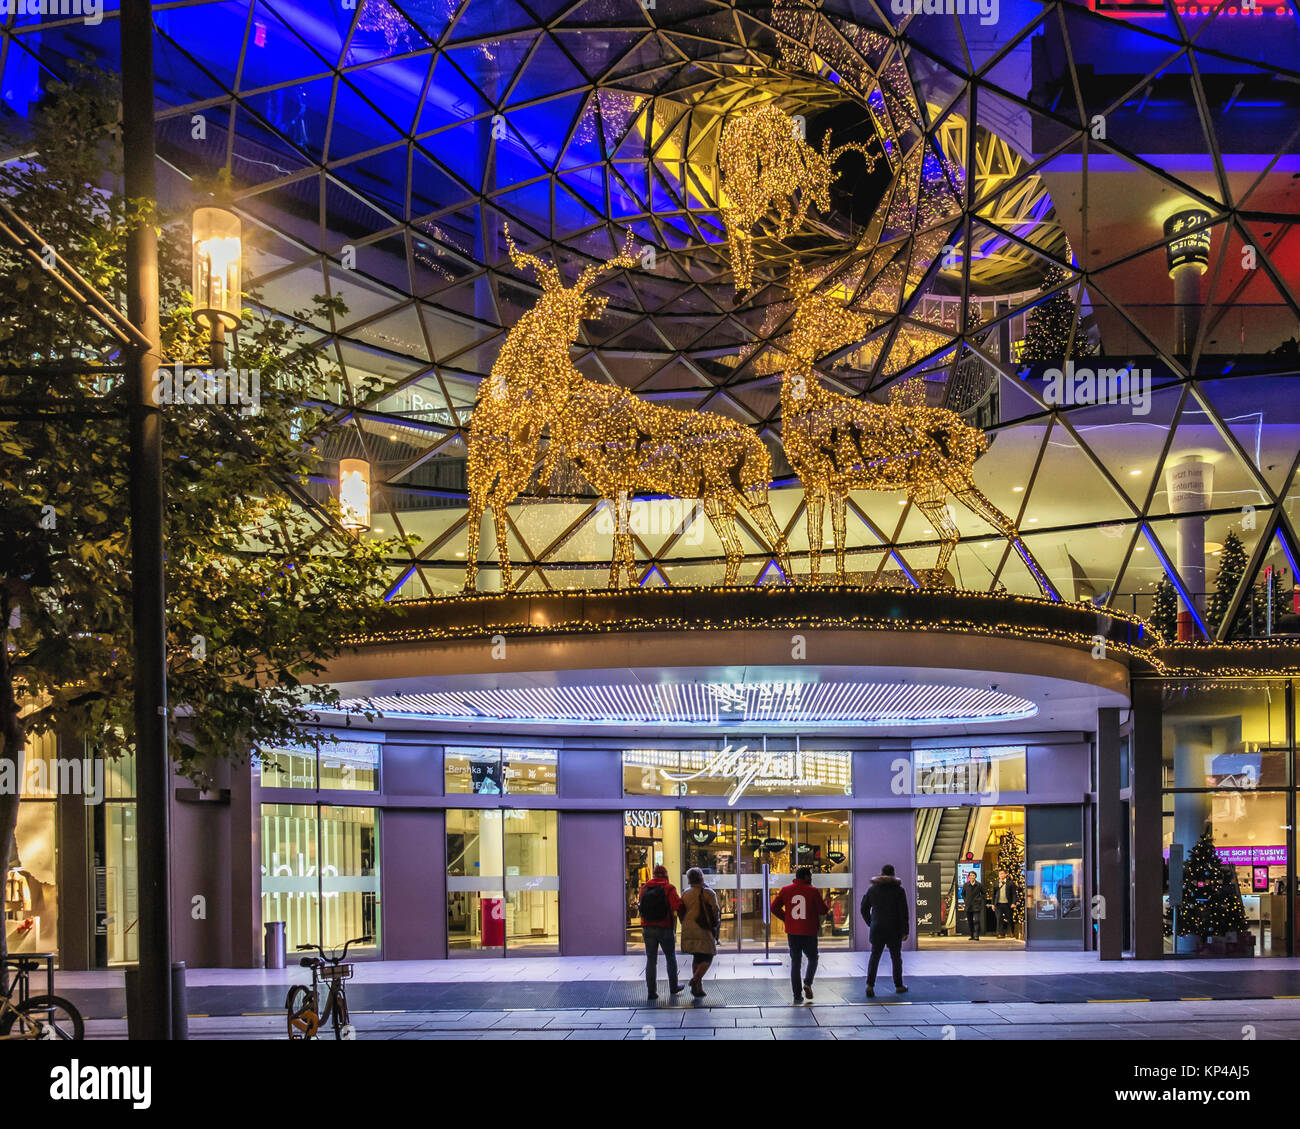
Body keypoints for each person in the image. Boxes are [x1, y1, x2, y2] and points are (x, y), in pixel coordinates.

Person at [771, 866, 830, 1003]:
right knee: (813, 958)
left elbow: (774, 907)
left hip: (793, 932)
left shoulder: (786, 890)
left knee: (795, 962)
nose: (811, 878)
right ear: (806, 877)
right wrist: (827, 903)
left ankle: (797, 995)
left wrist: (786, 918)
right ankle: (807, 983)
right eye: (810, 876)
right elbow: (823, 910)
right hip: (809, 931)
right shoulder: (813, 891)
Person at [859, 864, 909, 997]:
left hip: (878, 928)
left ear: (881, 873)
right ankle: (899, 985)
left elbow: (863, 908)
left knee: (875, 956)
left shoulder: (872, 889)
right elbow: (904, 912)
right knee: (896, 957)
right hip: (894, 928)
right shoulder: (899, 890)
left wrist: (871, 922)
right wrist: (905, 931)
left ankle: (870, 985)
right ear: (893, 874)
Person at [637, 864, 683, 999]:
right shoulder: (669, 888)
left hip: (647, 928)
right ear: (666, 875)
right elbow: (677, 905)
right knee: (670, 957)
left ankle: (651, 992)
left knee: (651, 960)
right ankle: (673, 987)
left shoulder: (644, 888)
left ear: (654, 875)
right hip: (665, 927)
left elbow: (641, 905)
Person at [677, 867, 721, 997]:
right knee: (709, 955)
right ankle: (695, 979)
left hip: (688, 927)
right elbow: (715, 910)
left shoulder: (685, 893)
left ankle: (697, 988)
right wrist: (716, 923)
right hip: (703, 927)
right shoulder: (708, 893)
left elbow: (681, 910)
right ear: (701, 877)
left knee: (697, 956)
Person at [992, 868, 1018, 938]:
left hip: (1008, 904)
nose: (1001, 875)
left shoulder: (1010, 883)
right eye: (1000, 874)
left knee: (1009, 918)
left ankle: (1011, 932)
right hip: (998, 904)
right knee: (999, 919)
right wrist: (993, 904)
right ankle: (1000, 934)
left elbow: (1014, 894)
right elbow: (993, 894)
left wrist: (1013, 903)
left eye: (1002, 873)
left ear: (1006, 874)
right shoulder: (996, 883)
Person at [961, 870, 986, 940]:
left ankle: (977, 935)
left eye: (973, 875)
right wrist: (966, 900)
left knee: (977, 921)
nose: (972, 877)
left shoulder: (979, 885)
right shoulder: (966, 885)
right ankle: (972, 935)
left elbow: (984, 894)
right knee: (970, 922)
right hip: (968, 906)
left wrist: (980, 900)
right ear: (969, 877)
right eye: (971, 875)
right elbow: (963, 894)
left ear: (975, 876)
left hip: (976, 905)